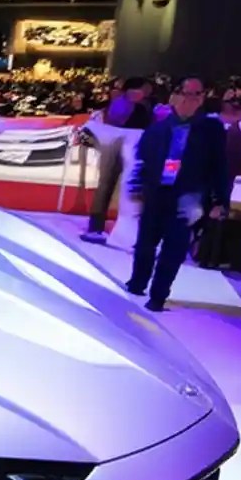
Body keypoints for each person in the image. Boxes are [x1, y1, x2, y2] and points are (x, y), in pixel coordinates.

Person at [126, 77, 230, 312]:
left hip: (189, 197)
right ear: (177, 95)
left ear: (203, 98)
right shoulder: (159, 127)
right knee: (145, 244)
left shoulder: (211, 130)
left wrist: (220, 200)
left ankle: (159, 296)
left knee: (173, 249)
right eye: (188, 93)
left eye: (197, 94)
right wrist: (137, 186)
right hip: (156, 192)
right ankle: (137, 283)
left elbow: (220, 166)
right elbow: (142, 160)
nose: (192, 99)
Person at [81, 76, 154, 243]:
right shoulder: (121, 102)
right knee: (106, 184)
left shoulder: (146, 105)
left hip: (136, 146)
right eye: (143, 88)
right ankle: (96, 226)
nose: (146, 92)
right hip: (115, 144)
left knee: (131, 185)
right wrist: (131, 104)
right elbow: (115, 120)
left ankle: (128, 228)